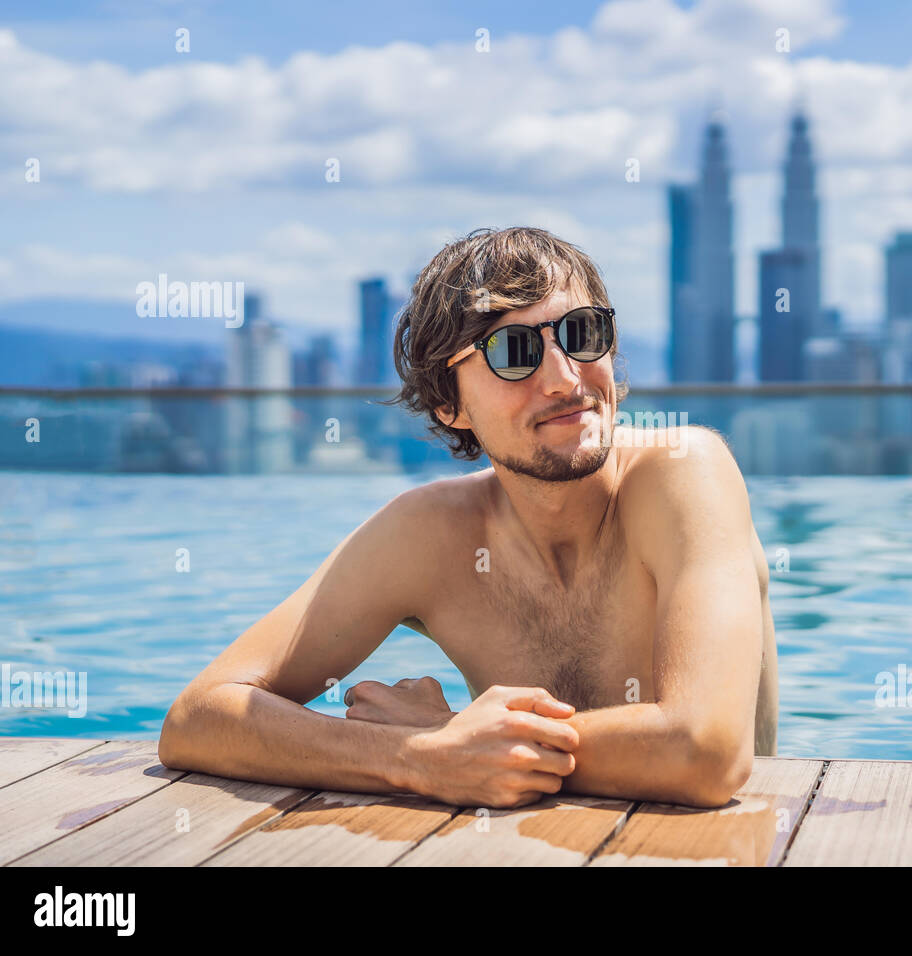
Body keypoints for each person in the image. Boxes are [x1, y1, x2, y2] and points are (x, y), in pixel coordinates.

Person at [159, 226, 778, 809]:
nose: (565, 379)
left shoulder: (683, 471)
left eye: (583, 333)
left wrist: (449, 735)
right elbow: (200, 717)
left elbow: (708, 750)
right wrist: (416, 757)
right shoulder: (432, 535)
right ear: (449, 404)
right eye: (515, 351)